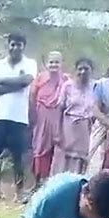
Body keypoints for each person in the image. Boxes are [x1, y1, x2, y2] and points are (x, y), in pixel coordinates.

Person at [0, 32, 37, 201]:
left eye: (19, 45)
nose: (15, 48)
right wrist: (15, 83)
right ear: (8, 45)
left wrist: (2, 82)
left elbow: (26, 81)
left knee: (18, 157)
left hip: (19, 118)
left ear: (24, 46)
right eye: (12, 44)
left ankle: (19, 192)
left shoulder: (30, 63)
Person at [29, 51, 68, 189]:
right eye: (51, 62)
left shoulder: (66, 81)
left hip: (58, 121)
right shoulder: (40, 78)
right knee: (39, 149)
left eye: (57, 62)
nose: (54, 65)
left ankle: (51, 184)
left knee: (56, 151)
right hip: (41, 119)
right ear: (46, 64)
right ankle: (36, 183)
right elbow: (32, 97)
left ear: (62, 63)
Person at [53, 57, 95, 175]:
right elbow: (59, 109)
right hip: (67, 126)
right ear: (75, 70)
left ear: (91, 70)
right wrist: (57, 132)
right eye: (80, 69)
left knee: (79, 162)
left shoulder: (95, 87)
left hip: (85, 128)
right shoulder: (67, 86)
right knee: (62, 160)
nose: (82, 72)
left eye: (86, 68)